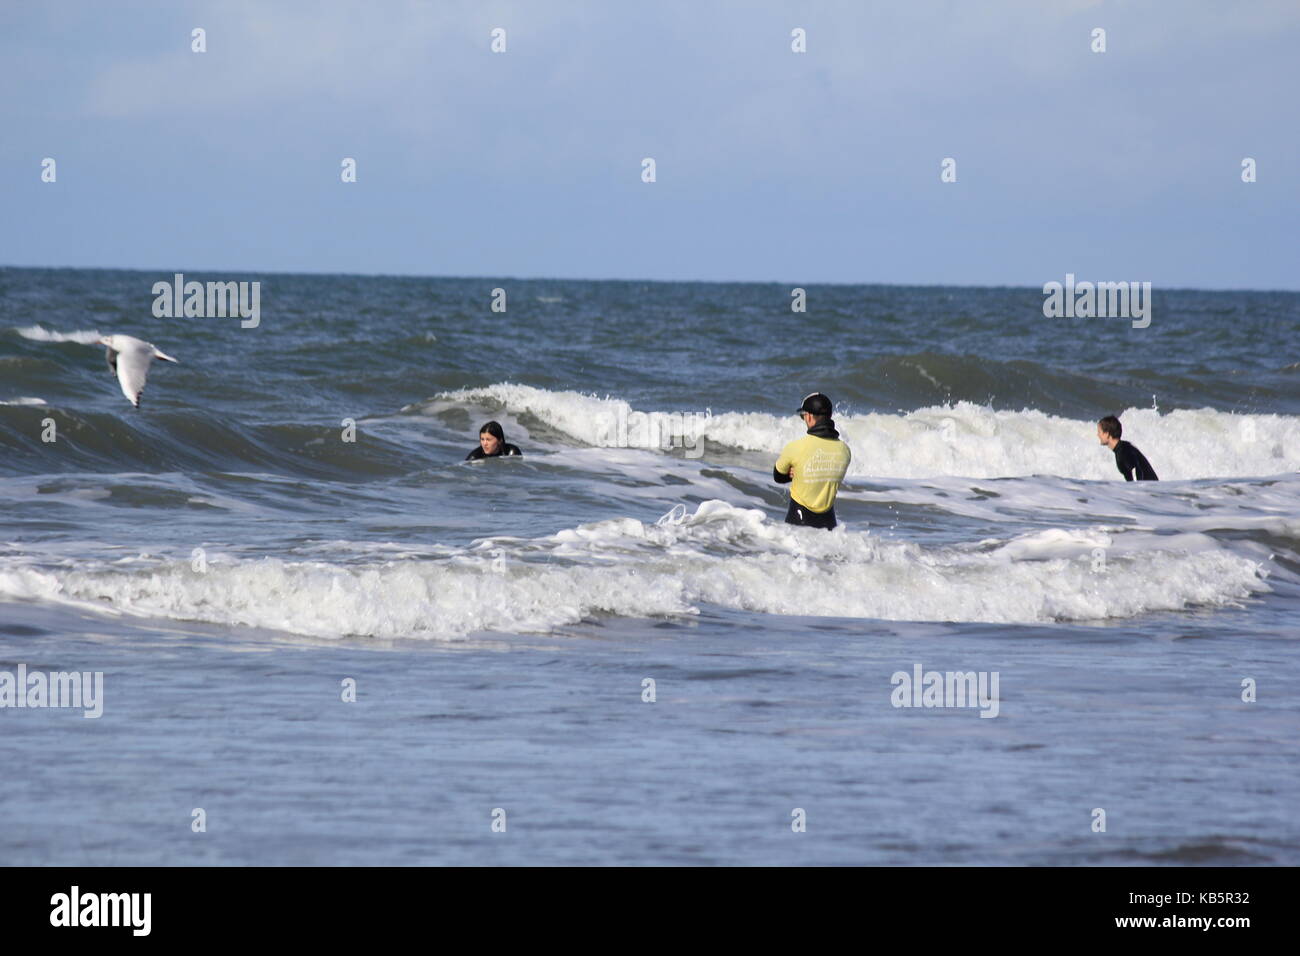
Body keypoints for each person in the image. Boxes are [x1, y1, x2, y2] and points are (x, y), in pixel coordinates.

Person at [773, 392, 852, 529]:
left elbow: (778, 476)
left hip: (798, 522)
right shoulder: (844, 450)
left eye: (803, 416)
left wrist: (792, 474)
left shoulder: (795, 447)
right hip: (829, 524)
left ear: (809, 416)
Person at [1097, 415, 1157, 480]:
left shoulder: (1124, 451)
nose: (1098, 435)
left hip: (1149, 487)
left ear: (1107, 434)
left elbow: (1137, 470)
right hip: (1149, 487)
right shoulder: (1123, 448)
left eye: (1099, 432)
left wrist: (1137, 488)